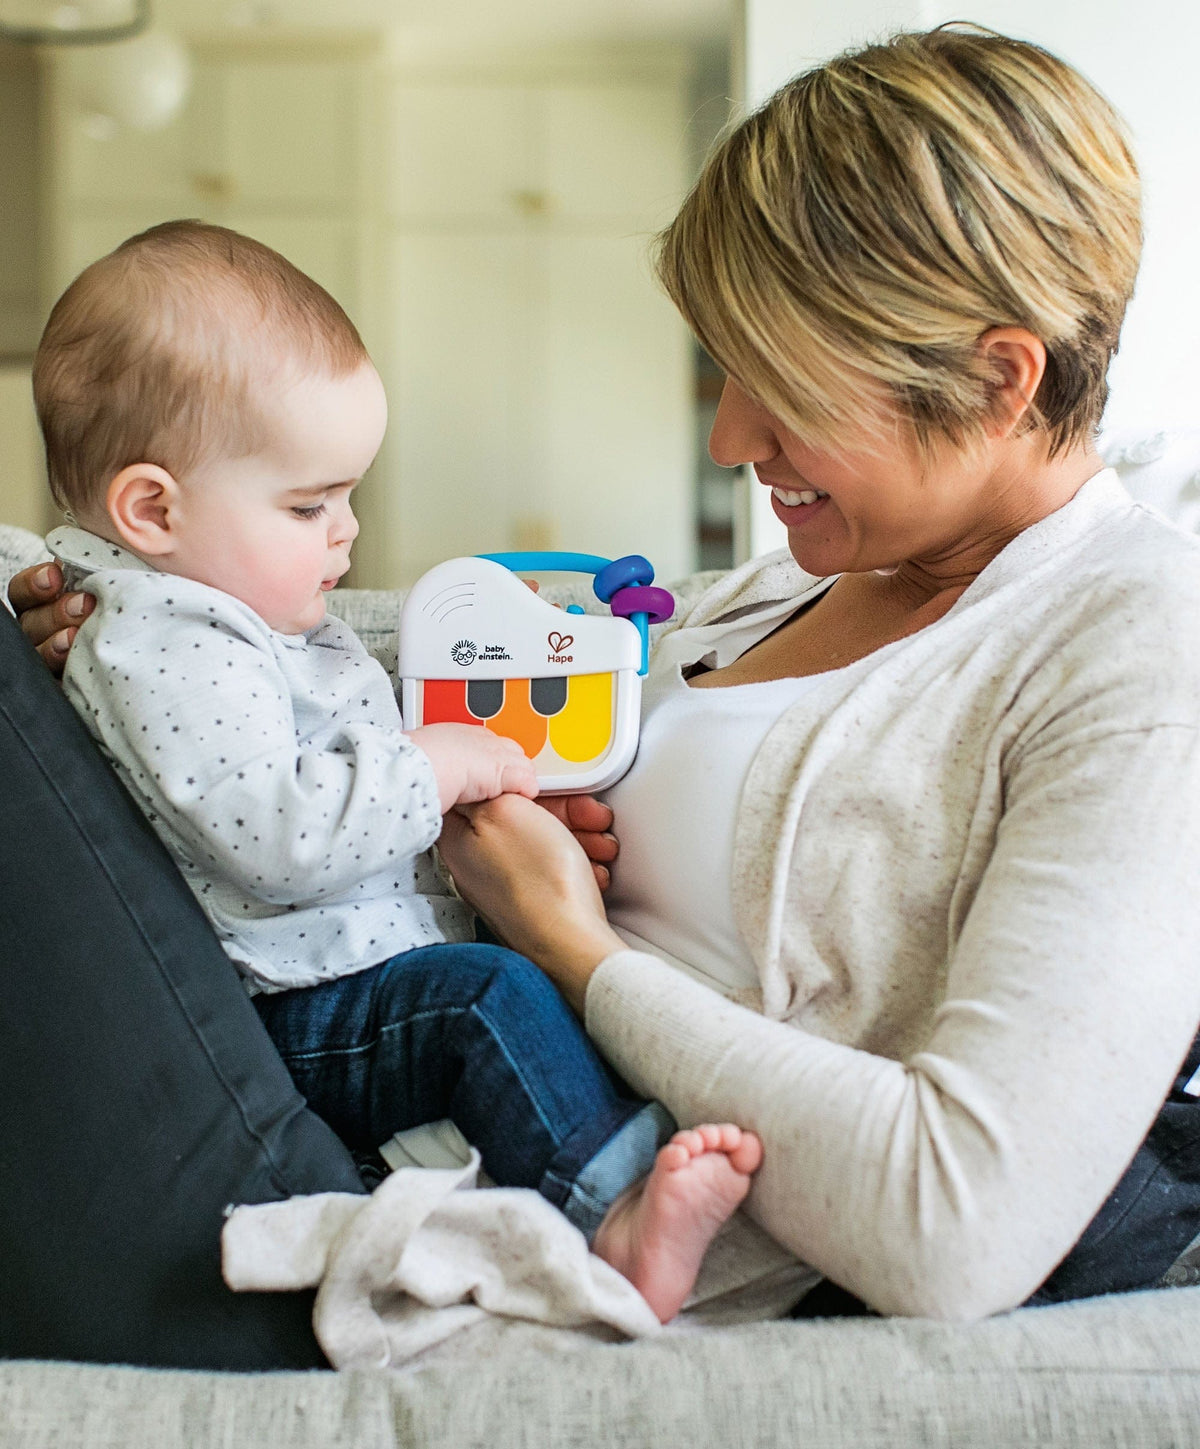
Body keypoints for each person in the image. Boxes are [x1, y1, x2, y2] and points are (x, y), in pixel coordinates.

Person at [15, 25, 1200, 1327]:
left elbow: (954, 1225)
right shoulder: (779, 589)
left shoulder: (1141, 648)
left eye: (782, 383)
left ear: (997, 375)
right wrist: (161, 611)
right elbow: (438, 627)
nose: (732, 432)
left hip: (565, 1191)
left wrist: (573, 950)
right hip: (398, 1083)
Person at [23, 218, 761, 1326]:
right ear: (152, 511)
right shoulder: (165, 634)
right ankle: (612, 1216)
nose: (348, 533)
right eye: (308, 505)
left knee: (494, 993)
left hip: (328, 973)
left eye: (349, 495)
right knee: (485, 999)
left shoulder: (194, 608)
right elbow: (276, 838)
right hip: (289, 1009)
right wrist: (434, 764)